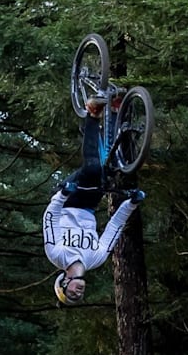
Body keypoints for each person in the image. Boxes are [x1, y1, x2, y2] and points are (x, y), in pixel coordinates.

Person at [43, 101, 145, 305]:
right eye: (79, 296)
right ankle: (116, 111)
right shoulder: (95, 259)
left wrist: (62, 194)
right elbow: (114, 227)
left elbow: (50, 217)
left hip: (68, 200)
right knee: (113, 169)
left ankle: (92, 114)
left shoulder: (57, 255)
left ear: (63, 282)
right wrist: (131, 204)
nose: (78, 292)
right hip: (89, 205)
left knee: (91, 170)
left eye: (72, 293)